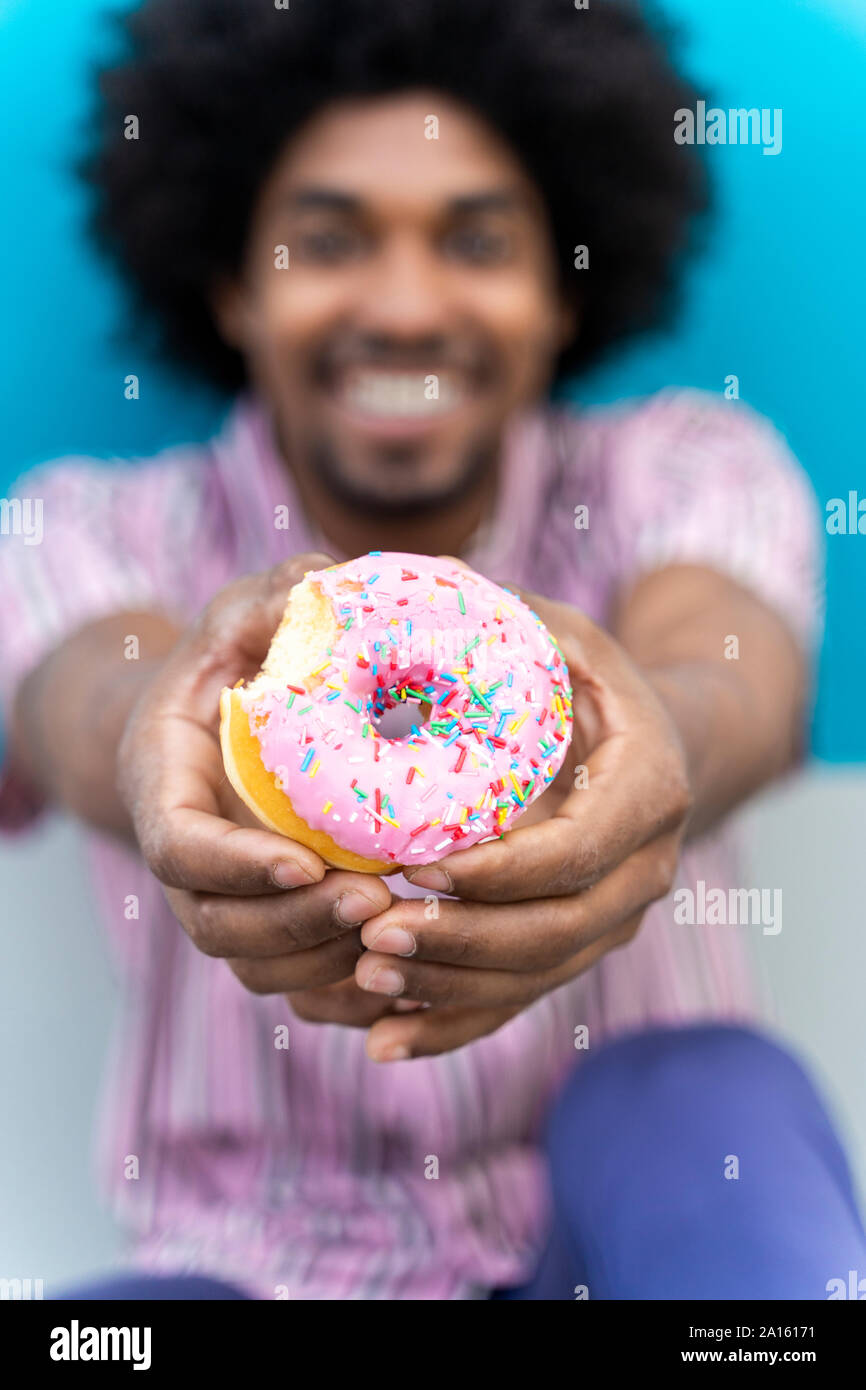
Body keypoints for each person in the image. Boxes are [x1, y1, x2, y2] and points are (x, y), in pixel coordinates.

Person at [2, 0, 863, 1300]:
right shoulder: (90, 526)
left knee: (699, 1087)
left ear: (556, 291)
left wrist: (653, 729)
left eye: (475, 241)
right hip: (243, 1269)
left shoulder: (675, 470)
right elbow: (84, 675)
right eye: (328, 241)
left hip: (630, 1237)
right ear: (233, 283)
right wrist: (148, 733)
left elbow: (734, 666)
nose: (404, 305)